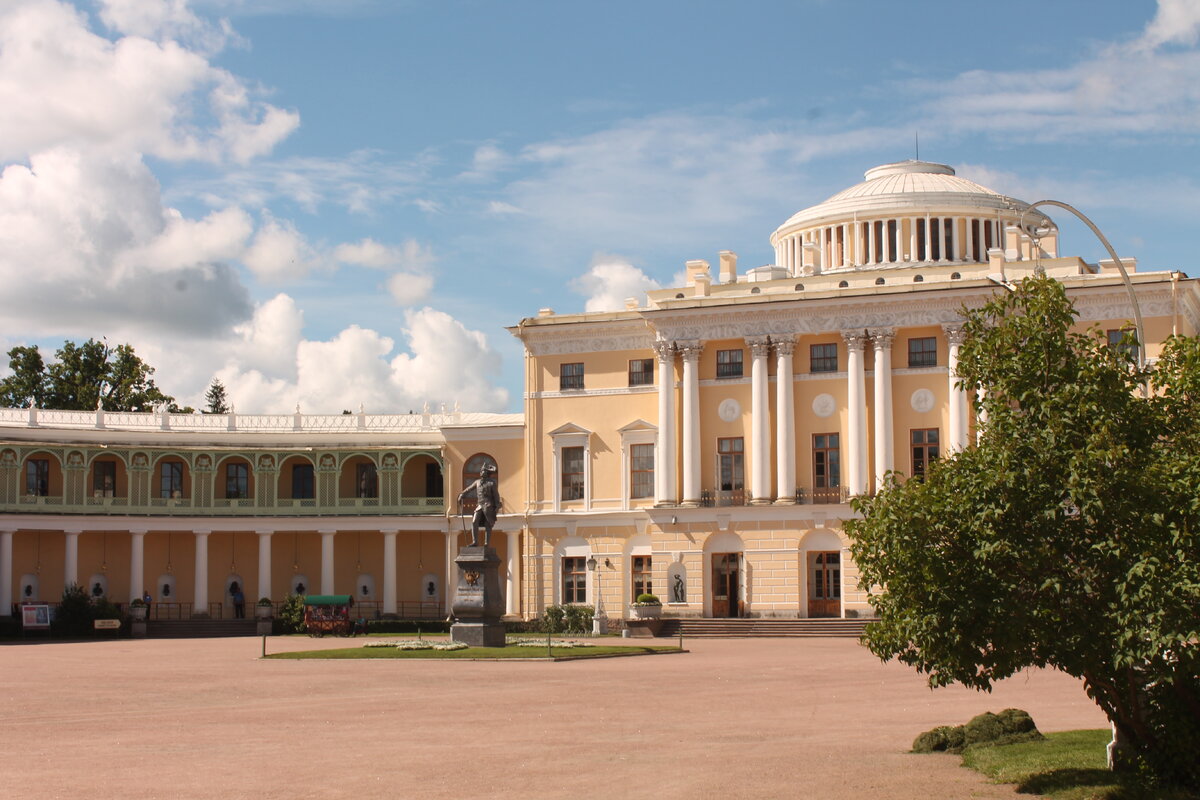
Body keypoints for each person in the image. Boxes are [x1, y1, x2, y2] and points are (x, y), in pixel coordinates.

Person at [457, 463, 501, 547]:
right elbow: (469, 489)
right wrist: (462, 494)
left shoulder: (491, 483)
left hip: (488, 505)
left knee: (488, 524)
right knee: (474, 522)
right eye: (481, 471)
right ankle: (475, 541)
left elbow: (496, 495)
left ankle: (487, 543)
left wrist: (497, 505)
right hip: (480, 505)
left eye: (484, 471)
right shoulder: (477, 482)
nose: (482, 472)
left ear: (487, 473)